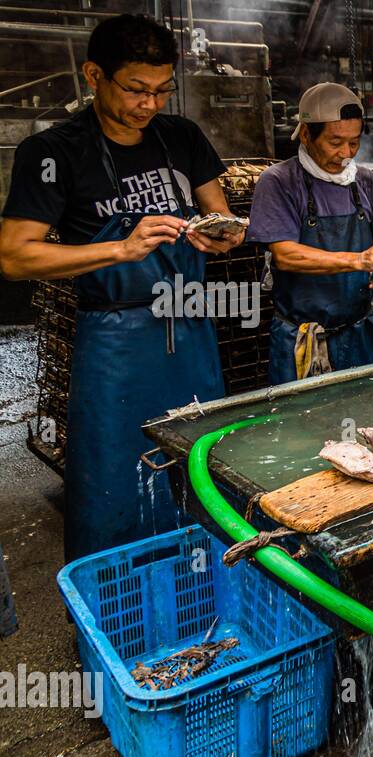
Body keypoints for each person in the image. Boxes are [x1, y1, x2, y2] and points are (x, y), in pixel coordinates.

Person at [0, 14, 243, 561]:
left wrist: (218, 236)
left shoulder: (182, 138)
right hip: (115, 338)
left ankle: (205, 584)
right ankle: (117, 594)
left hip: (191, 323)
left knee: (202, 463)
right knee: (114, 470)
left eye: (162, 91)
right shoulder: (54, 153)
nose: (150, 104)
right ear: (94, 75)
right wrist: (121, 248)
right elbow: (14, 256)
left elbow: (219, 214)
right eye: (136, 89)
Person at [247, 83, 373, 385]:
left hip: (361, 333)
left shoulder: (364, 180)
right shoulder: (278, 182)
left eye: (353, 143)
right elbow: (285, 255)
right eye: (335, 142)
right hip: (305, 341)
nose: (345, 154)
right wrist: (360, 259)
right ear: (307, 134)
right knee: (306, 426)